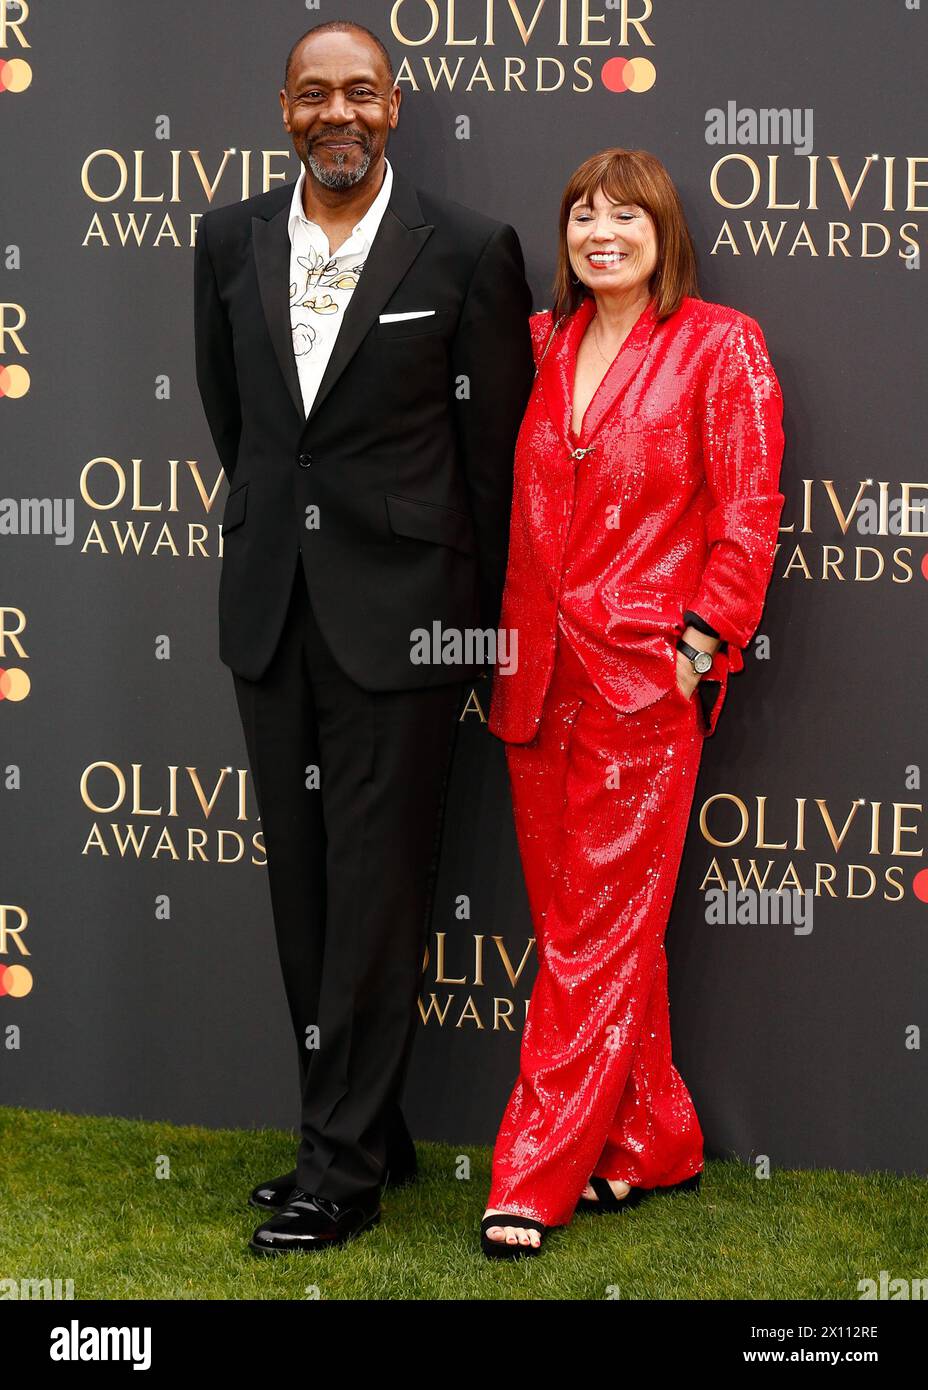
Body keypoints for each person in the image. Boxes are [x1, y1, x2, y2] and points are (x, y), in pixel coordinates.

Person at [193, 19, 534, 1254]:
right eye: (314, 94)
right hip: (272, 609)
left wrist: (486, 642)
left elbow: (493, 469)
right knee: (306, 887)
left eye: (364, 93)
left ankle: (337, 1170)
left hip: (409, 628)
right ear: (283, 105)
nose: (338, 113)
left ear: (395, 107)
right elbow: (243, 430)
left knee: (380, 891)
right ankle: (362, 1127)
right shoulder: (228, 238)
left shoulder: (469, 249)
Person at [480, 147, 786, 1258]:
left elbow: (749, 508)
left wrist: (699, 643)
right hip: (532, 685)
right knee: (593, 933)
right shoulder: (537, 344)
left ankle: (532, 1170)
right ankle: (649, 1140)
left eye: (624, 215)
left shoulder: (719, 344)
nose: (599, 232)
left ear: (664, 231)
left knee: (591, 939)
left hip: (640, 687)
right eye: (581, 216)